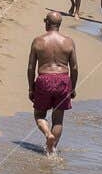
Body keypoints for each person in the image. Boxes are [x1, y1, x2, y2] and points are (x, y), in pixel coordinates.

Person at [26, 10, 78, 156]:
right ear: (59, 25)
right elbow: (74, 67)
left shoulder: (38, 41)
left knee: (39, 115)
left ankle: (48, 134)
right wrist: (72, 87)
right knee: (58, 119)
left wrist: (31, 88)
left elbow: (31, 67)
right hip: (63, 79)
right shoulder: (68, 41)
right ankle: (51, 151)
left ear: (47, 23)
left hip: (44, 79)